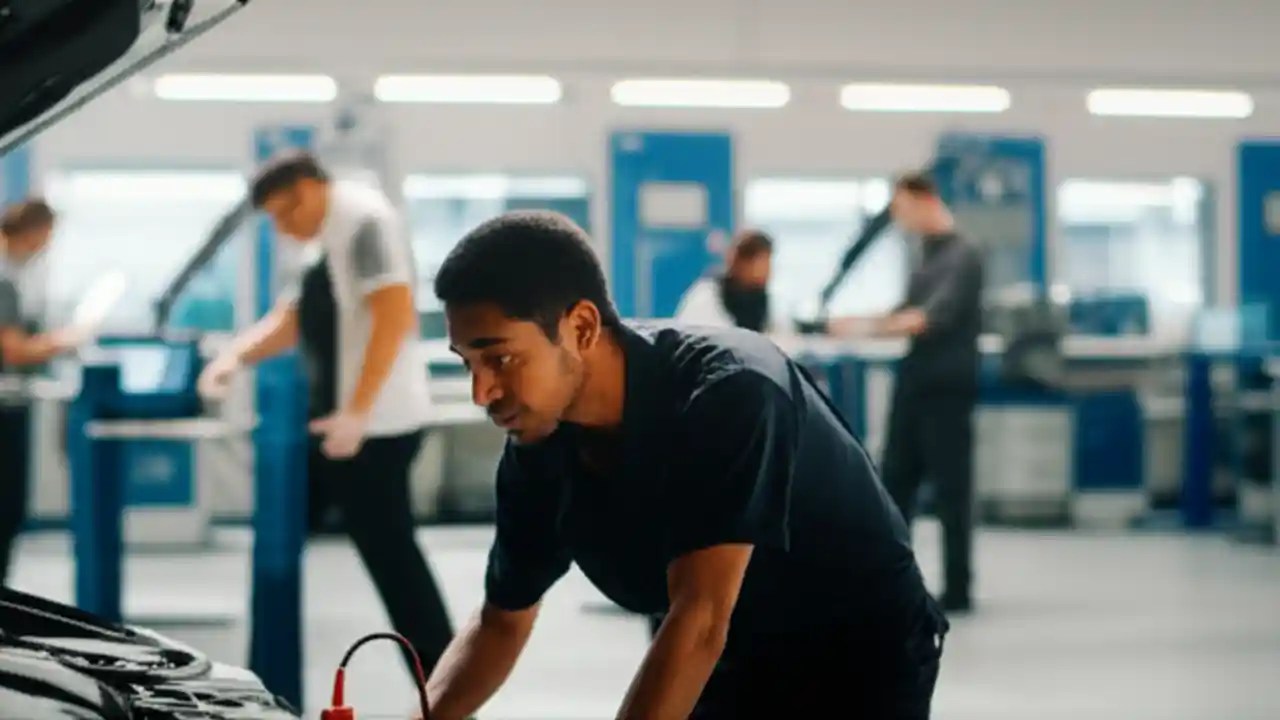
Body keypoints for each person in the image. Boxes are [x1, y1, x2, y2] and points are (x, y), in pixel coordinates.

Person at [422, 210, 948, 720]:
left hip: (855, 661)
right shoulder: (539, 449)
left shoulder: (731, 392)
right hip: (728, 661)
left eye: (501, 358)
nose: (481, 391)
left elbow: (700, 620)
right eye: (468, 362)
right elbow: (500, 623)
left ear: (581, 326)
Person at [195, 152, 454, 674]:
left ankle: (446, 690)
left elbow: (394, 313)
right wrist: (233, 357)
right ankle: (266, 671)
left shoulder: (364, 222)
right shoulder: (326, 243)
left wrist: (358, 412)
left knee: (395, 566)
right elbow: (292, 317)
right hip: (339, 428)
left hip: (375, 430)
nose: (284, 227)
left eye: (286, 212)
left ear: (312, 187)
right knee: (296, 546)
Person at [830, 171, 985, 613]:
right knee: (895, 484)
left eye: (901, 211)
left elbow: (924, 319)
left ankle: (959, 588)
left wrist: (864, 326)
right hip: (915, 383)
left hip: (947, 389)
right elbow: (903, 312)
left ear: (923, 200)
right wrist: (849, 323)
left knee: (951, 491)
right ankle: (890, 581)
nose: (900, 222)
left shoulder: (962, 256)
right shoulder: (928, 256)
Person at [0, 199, 83, 586]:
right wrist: (65, 342)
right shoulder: (4, 278)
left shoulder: (16, 274)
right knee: (6, 509)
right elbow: (13, 348)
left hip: (14, 404)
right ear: (33, 229)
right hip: (5, 410)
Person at [673, 229, 785, 333]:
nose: (768, 271)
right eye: (762, 263)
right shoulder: (706, 295)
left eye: (769, 262)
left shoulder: (760, 300)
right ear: (741, 262)